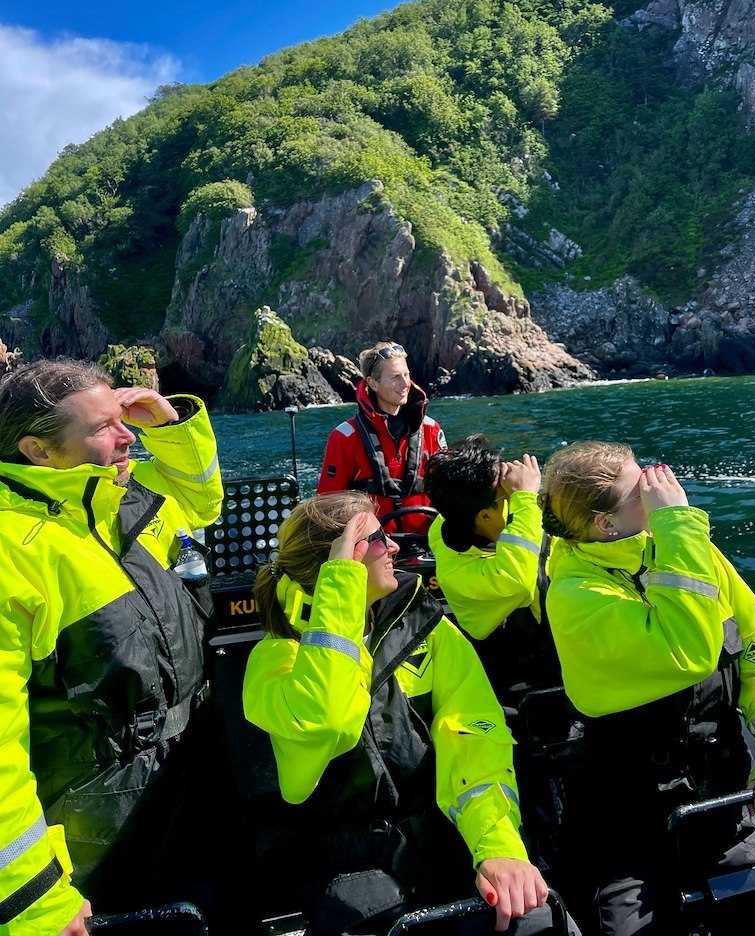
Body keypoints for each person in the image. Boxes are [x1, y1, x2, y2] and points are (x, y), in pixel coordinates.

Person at [242, 492, 579, 936]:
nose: (397, 546)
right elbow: (326, 723)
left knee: (538, 919)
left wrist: (497, 847)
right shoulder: (275, 659)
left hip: (439, 835)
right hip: (341, 859)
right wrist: (340, 589)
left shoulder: (428, 631)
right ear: (338, 562)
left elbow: (477, 742)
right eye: (379, 539)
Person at [541, 441, 755, 935]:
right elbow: (687, 653)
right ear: (605, 524)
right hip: (631, 831)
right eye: (640, 487)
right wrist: (679, 526)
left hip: (732, 807)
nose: (658, 487)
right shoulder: (574, 594)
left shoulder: (684, 550)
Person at [0, 358, 223, 936]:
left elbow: (202, 502)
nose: (128, 436)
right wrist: (32, 894)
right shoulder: (13, 550)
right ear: (39, 450)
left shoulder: (118, 504)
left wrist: (169, 427)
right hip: (98, 829)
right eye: (103, 427)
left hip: (190, 779)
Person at [423, 436, 561, 699]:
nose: (513, 491)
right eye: (506, 492)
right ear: (485, 516)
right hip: (517, 671)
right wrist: (525, 498)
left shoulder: (457, 518)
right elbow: (517, 581)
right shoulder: (457, 573)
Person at [316, 341, 445, 536]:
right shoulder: (344, 437)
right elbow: (327, 506)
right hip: (372, 552)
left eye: (406, 375)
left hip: (429, 549)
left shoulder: (431, 429)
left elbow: (451, 490)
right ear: (373, 383)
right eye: (395, 377)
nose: (405, 384)